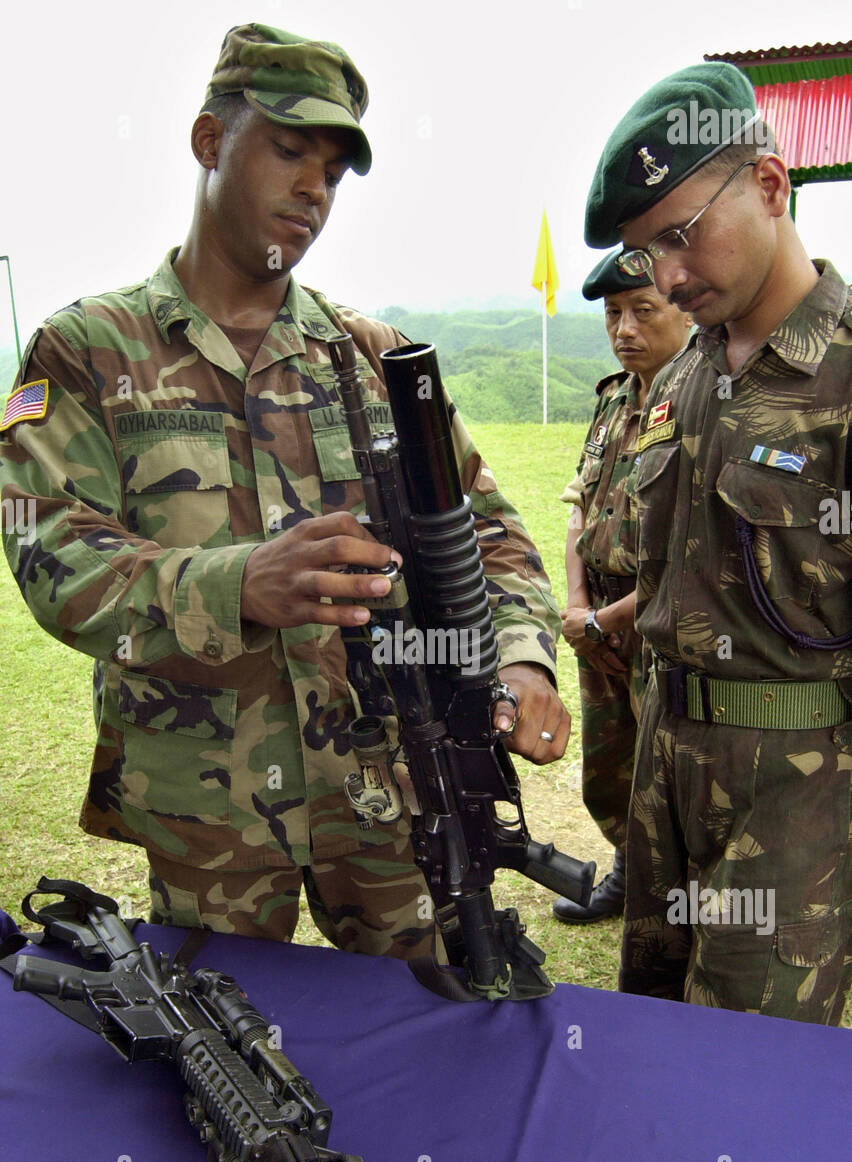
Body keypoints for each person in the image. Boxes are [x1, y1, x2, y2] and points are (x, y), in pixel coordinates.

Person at [0, 22, 567, 959]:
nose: (314, 189)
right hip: (206, 809)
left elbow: (489, 528)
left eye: (336, 171)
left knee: (422, 1041)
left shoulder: (374, 360)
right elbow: (48, 548)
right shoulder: (89, 350)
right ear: (211, 142)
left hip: (384, 794)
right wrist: (236, 585)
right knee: (227, 1059)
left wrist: (522, 657)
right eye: (291, 149)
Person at [583, 61, 852, 1023]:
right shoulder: (686, 374)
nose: (667, 275)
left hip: (793, 801)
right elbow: (698, 567)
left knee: (749, 1065)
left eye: (681, 236)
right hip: (665, 771)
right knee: (653, 1029)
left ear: (772, 187)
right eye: (646, 251)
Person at [554, 250, 691, 923]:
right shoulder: (613, 399)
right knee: (609, 765)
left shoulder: (700, 401)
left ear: (683, 311)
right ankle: (627, 870)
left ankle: (672, 896)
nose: (624, 328)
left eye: (643, 311)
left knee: (666, 773)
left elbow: (697, 552)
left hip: (661, 621)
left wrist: (611, 619)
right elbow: (582, 503)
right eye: (613, 314)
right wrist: (580, 608)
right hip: (601, 621)